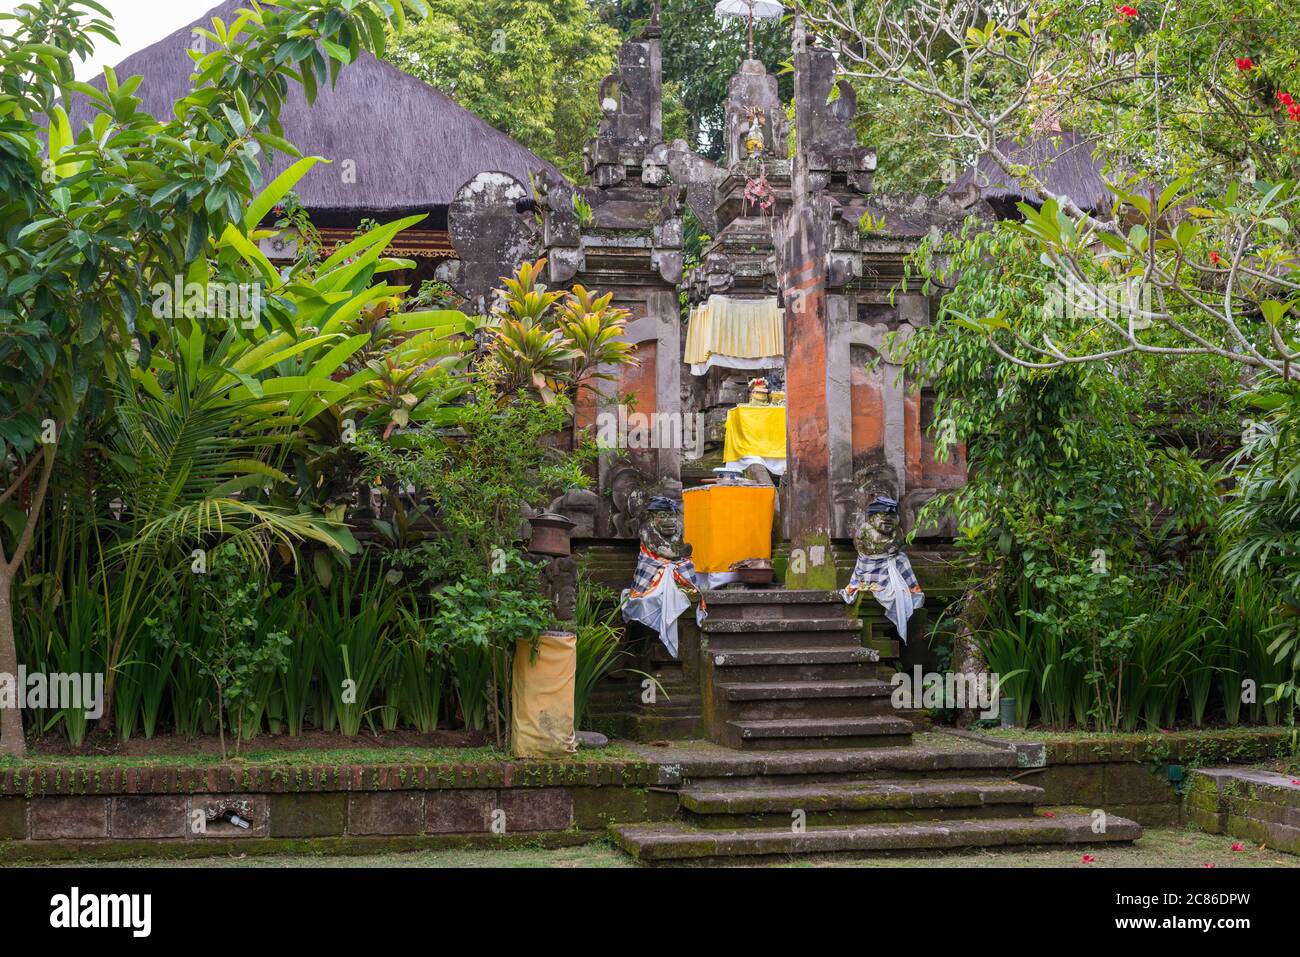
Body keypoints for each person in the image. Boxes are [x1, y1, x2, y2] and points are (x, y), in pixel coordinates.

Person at [621, 496, 704, 657]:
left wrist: (680, 551)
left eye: (671, 515)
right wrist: (681, 551)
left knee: (684, 573)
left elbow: (677, 549)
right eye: (663, 516)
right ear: (653, 517)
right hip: (651, 570)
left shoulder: (677, 526)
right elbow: (670, 552)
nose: (669, 520)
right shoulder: (647, 529)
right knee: (649, 597)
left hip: (676, 568)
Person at [841, 495, 924, 643]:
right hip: (871, 565)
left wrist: (894, 547)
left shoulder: (897, 530)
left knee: (902, 559)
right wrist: (882, 547)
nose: (887, 519)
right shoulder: (866, 529)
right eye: (882, 515)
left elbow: (899, 542)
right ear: (872, 518)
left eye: (892, 516)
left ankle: (910, 589)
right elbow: (861, 545)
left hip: (890, 561)